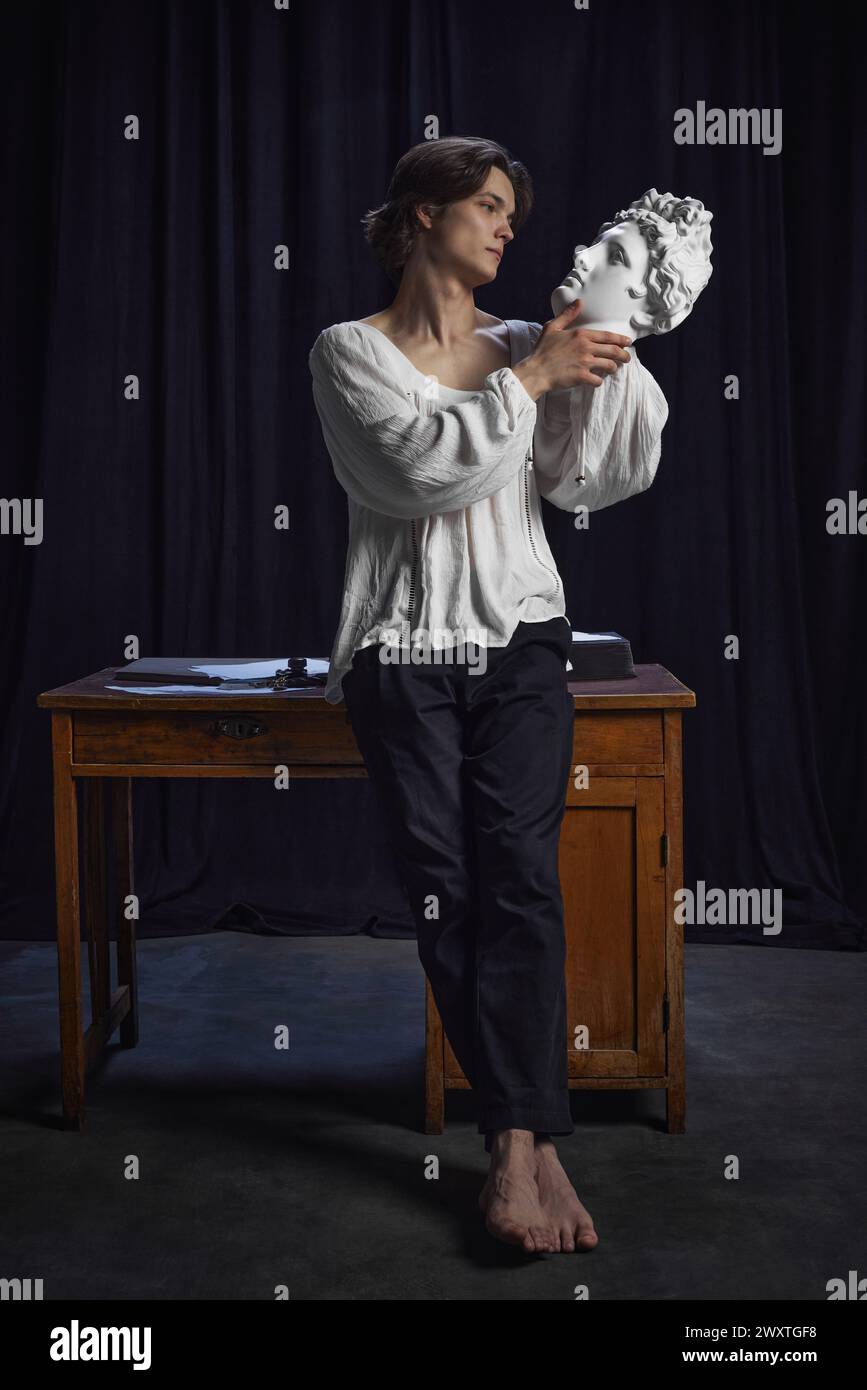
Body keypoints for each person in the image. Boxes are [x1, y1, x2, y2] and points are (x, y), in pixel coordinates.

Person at [308, 136, 667, 1254]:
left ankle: (515, 1146)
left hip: (520, 644)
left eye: (514, 212)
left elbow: (591, 478)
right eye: (488, 206)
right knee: (446, 892)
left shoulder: (527, 342)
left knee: (520, 881)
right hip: (400, 656)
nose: (508, 227)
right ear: (422, 213)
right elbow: (417, 471)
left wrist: (609, 333)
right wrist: (535, 378)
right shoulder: (347, 353)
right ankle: (532, 1138)